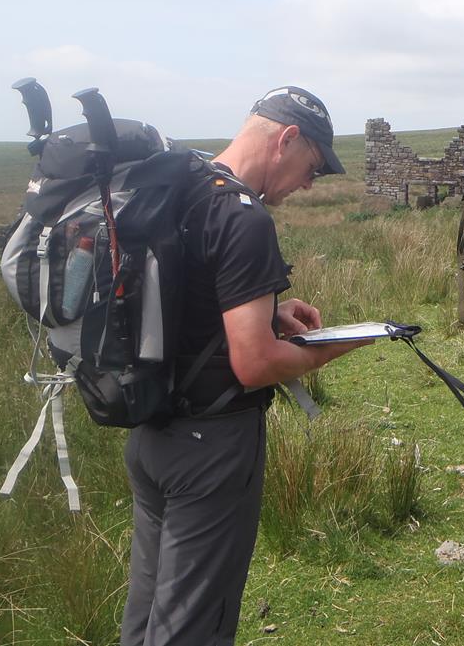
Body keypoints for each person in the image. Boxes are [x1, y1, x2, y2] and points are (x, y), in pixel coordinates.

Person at [121, 86, 370, 645]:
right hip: (212, 447)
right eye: (313, 166)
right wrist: (342, 344)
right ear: (287, 139)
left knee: (148, 610)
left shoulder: (179, 187)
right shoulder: (244, 216)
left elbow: (185, 297)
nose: (310, 183)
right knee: (192, 624)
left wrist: (269, 308)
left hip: (150, 431)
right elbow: (254, 364)